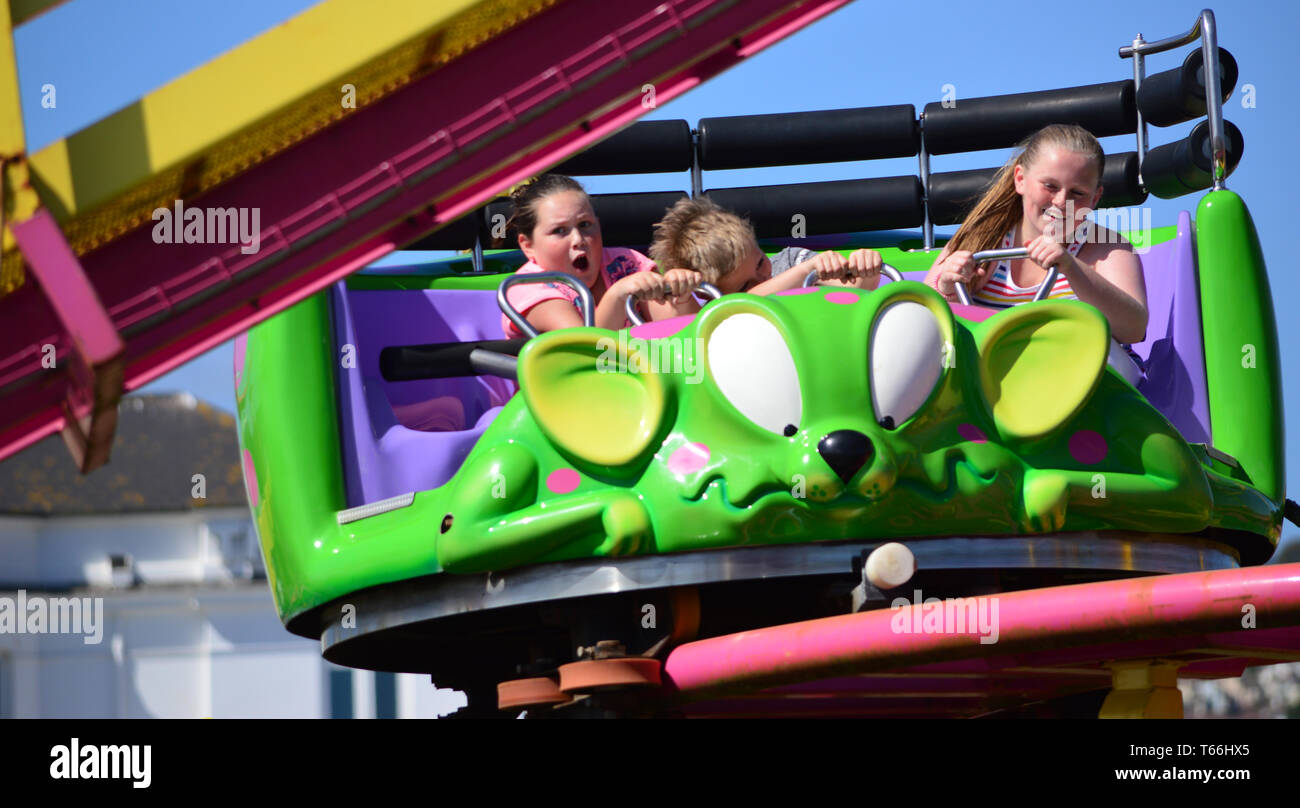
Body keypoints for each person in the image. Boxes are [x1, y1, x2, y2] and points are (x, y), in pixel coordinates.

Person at [923, 124, 1149, 351]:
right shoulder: (983, 240)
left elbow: (1134, 330)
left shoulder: (1105, 247)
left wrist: (1073, 268)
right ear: (1020, 179)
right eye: (1050, 186)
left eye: (1077, 193)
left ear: (1094, 198)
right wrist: (946, 287)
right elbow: (924, 319)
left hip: (1081, 376)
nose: (1061, 201)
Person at [500, 174, 702, 338]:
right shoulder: (528, 286)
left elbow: (683, 335)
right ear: (528, 246)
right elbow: (589, 352)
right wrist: (617, 295)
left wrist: (681, 295)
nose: (578, 239)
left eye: (585, 225)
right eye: (560, 231)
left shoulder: (625, 263)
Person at [649, 197, 883, 300]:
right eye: (744, 285)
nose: (762, 277)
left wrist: (865, 268)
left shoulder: (791, 260)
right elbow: (736, 307)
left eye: (760, 261)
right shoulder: (716, 310)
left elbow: (859, 289)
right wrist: (803, 274)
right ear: (707, 291)